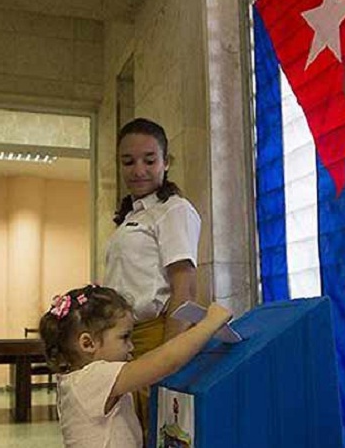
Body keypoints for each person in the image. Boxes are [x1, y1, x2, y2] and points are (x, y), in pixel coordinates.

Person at [39, 285, 232, 448]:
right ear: (88, 343)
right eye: (124, 337)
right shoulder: (92, 378)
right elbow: (165, 362)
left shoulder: (79, 380)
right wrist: (209, 324)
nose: (131, 346)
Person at [105, 117, 201, 434]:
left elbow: (184, 288)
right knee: (133, 431)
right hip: (124, 337)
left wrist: (170, 356)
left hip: (156, 335)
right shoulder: (132, 215)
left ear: (166, 162)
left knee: (156, 429)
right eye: (128, 161)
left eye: (149, 160)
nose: (139, 170)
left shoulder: (174, 209)